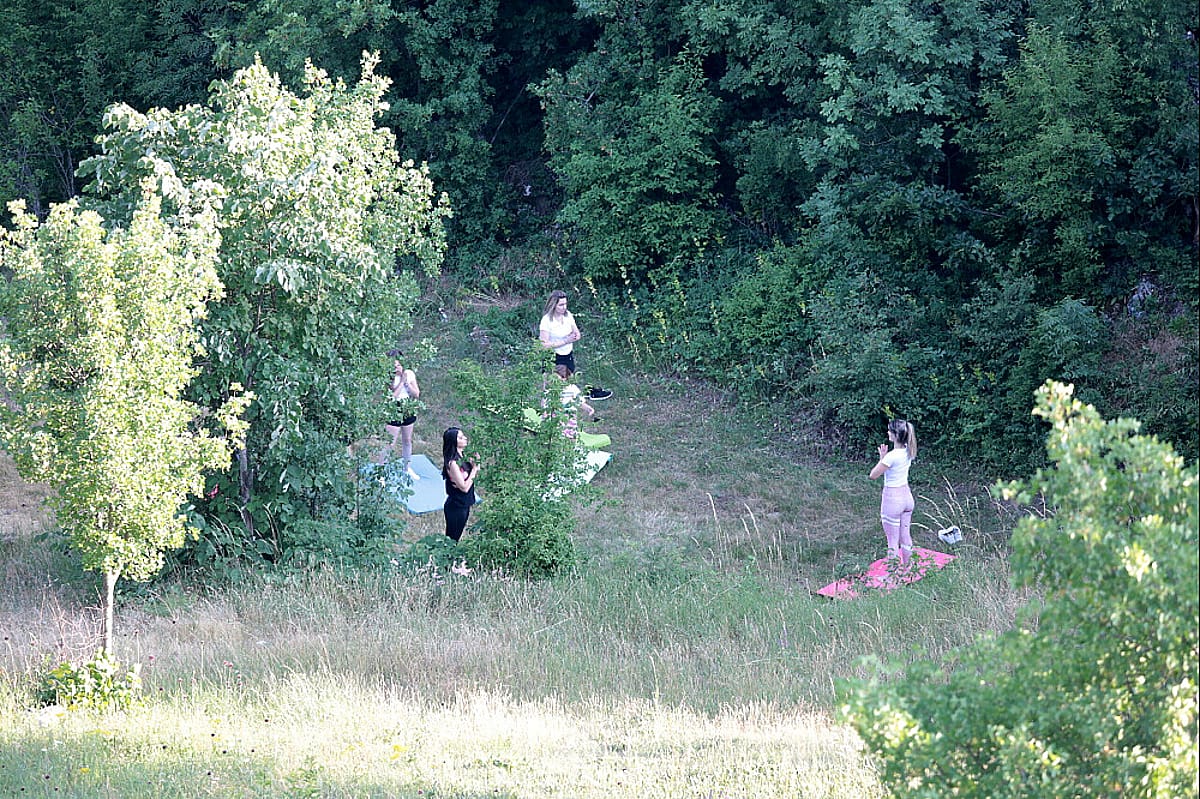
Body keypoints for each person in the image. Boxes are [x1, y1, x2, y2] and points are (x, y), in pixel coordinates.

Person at [538, 289, 612, 401]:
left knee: (568, 386)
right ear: (553, 305)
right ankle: (546, 413)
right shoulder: (547, 321)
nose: (564, 307)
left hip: (567, 355)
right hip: (553, 357)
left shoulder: (568, 316)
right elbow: (544, 345)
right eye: (561, 305)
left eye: (565, 304)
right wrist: (565, 341)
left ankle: (581, 402)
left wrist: (576, 335)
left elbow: (576, 332)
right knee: (550, 387)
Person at [869, 419, 918, 565]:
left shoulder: (892, 456)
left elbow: (873, 475)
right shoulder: (909, 451)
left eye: (890, 431)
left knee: (892, 541)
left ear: (896, 435)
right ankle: (909, 569)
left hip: (893, 499)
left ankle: (893, 576)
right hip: (907, 498)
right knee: (905, 536)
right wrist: (884, 458)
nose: (887, 432)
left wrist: (882, 459)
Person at [384, 349, 421, 481]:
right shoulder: (387, 376)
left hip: (408, 407)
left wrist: (406, 381)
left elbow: (416, 394)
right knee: (390, 442)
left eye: (399, 365)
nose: (397, 368)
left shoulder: (409, 373)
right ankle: (381, 471)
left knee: (407, 440)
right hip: (394, 408)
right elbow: (392, 396)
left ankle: (407, 467)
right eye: (394, 365)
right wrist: (400, 381)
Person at [442, 426, 479, 542]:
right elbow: (464, 487)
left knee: (456, 536)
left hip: (464, 504)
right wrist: (474, 470)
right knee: (452, 538)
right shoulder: (452, 463)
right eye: (461, 438)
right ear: (454, 442)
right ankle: (447, 558)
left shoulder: (464, 457)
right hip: (456, 506)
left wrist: (475, 463)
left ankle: (450, 557)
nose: (465, 439)